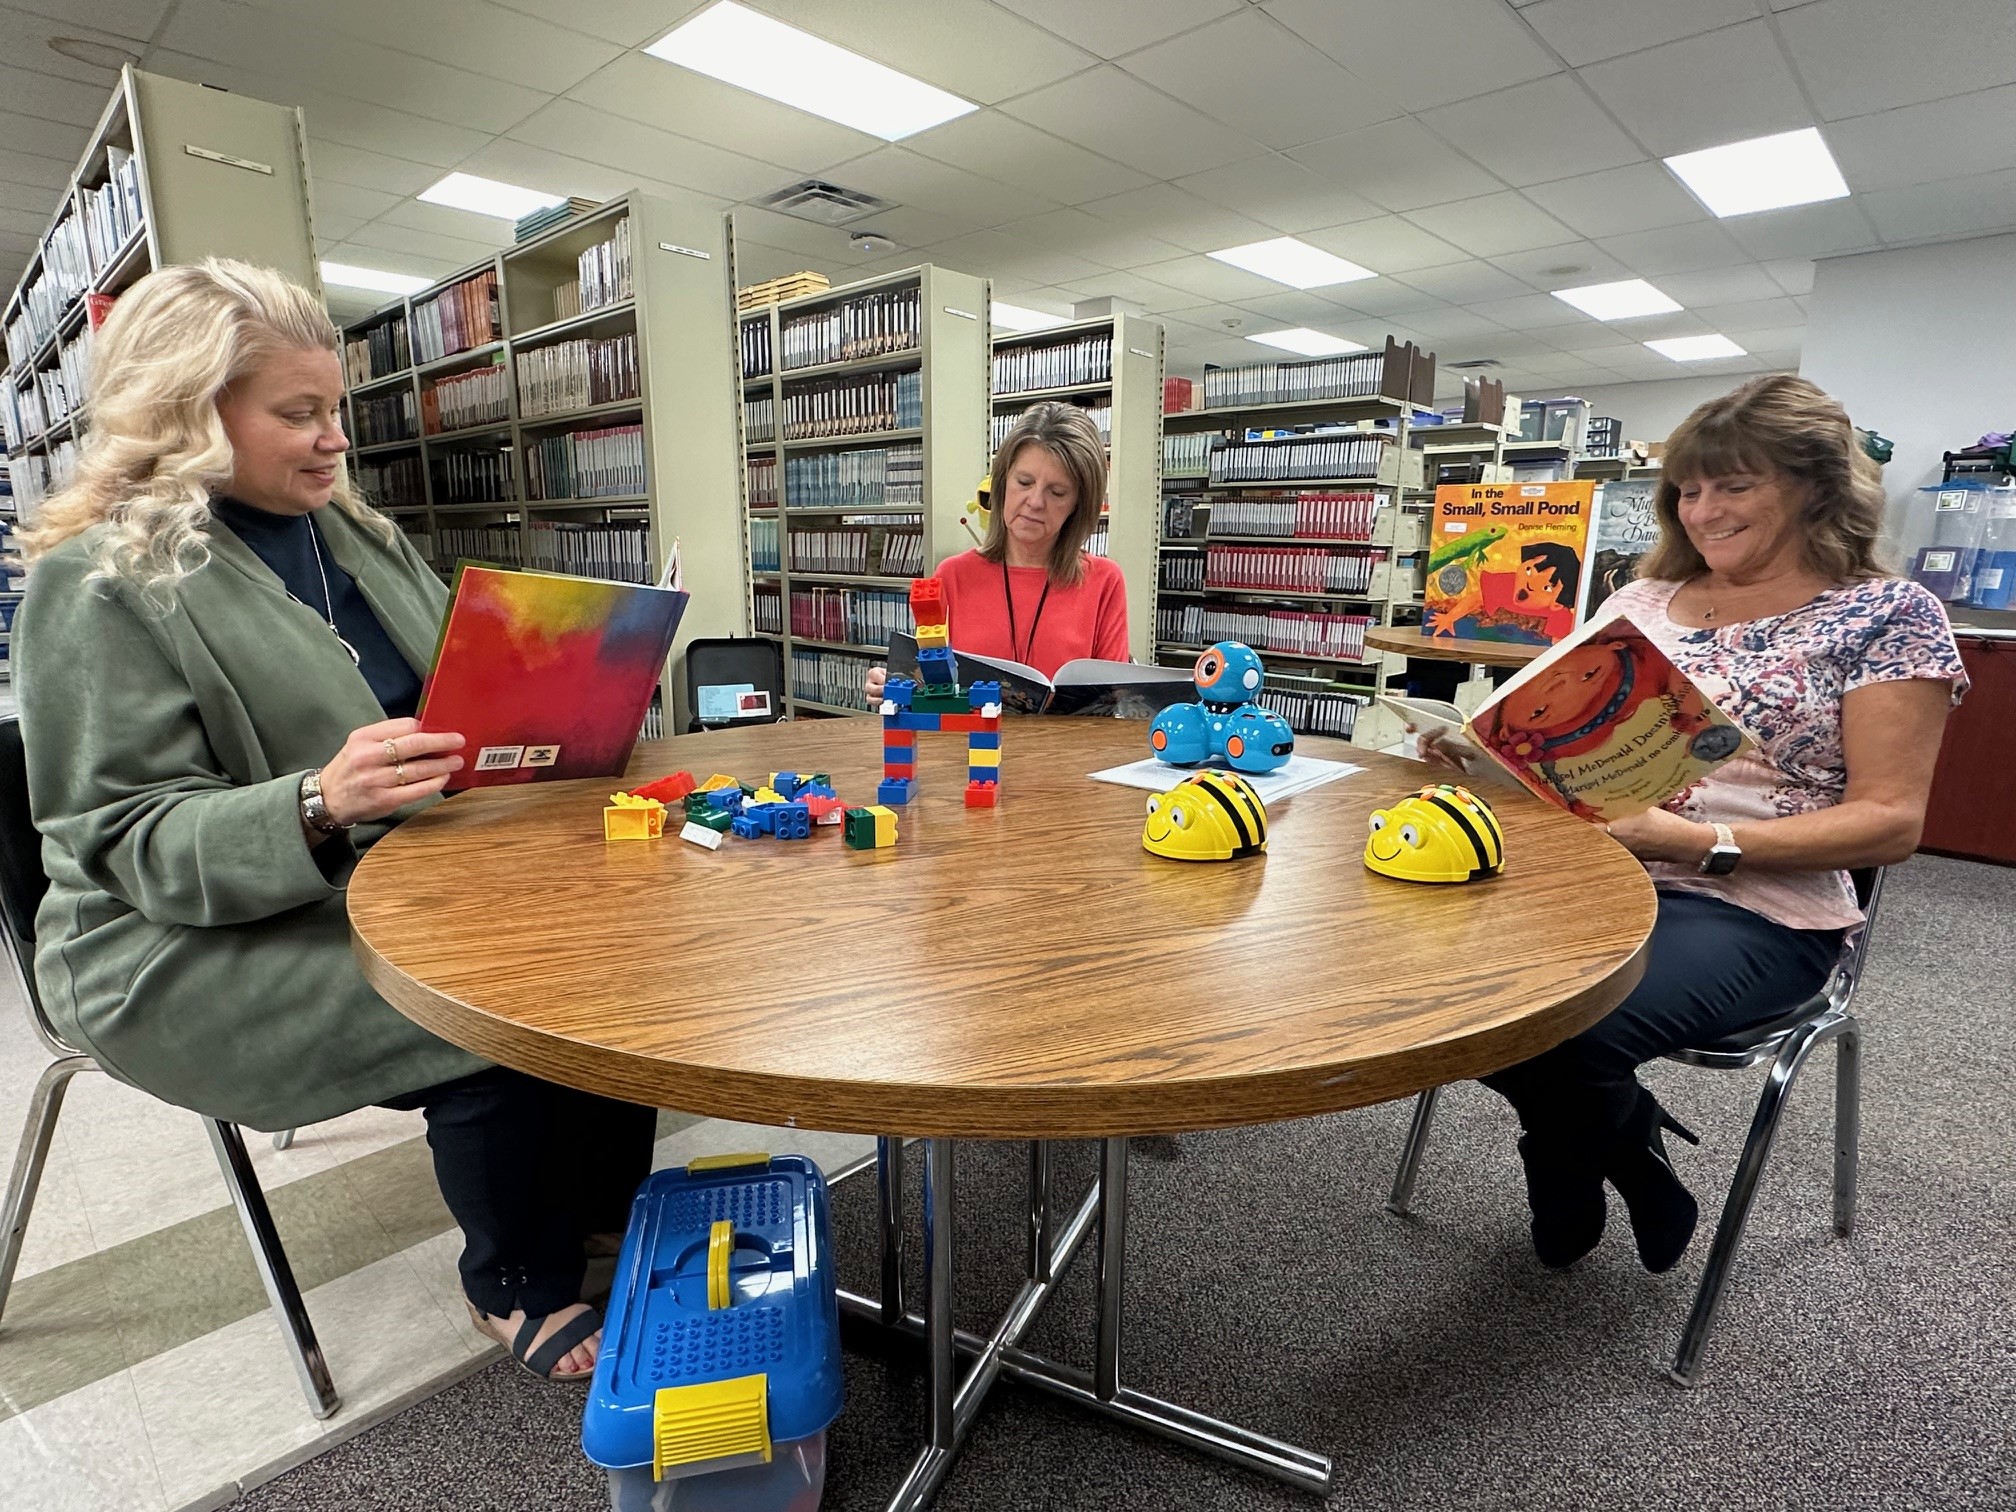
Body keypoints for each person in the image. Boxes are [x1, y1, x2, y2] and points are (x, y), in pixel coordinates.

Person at [13, 260, 655, 1382]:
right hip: (176, 942)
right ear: (187, 413)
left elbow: (444, 696)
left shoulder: (353, 533)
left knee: (612, 948)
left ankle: (604, 1215)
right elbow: (124, 839)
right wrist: (315, 803)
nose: (333, 443)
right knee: (490, 1010)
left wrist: (563, 702)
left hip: (388, 873)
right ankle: (516, 1285)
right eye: (296, 414)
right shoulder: (104, 581)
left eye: (335, 412)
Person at [1421, 374, 1965, 1274]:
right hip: (1597, 867)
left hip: (1757, 902)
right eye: (1690, 487)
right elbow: (1569, 738)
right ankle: (1634, 1152)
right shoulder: (1641, 601)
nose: (1705, 510)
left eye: (1735, 484)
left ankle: (1563, 1162)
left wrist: (1695, 841)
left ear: (1815, 484)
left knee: (1569, 1029)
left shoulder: (1888, 616)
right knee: (1447, 991)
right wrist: (1489, 755)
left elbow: (1891, 823)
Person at [864, 402, 1127, 700]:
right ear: (1002, 483)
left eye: (1057, 492)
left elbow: (1113, 704)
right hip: (969, 744)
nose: (1035, 501)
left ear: (1079, 504)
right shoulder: (953, 575)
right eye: (1024, 482)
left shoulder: (1104, 581)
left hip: (1067, 747)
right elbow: (928, 681)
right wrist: (896, 685)